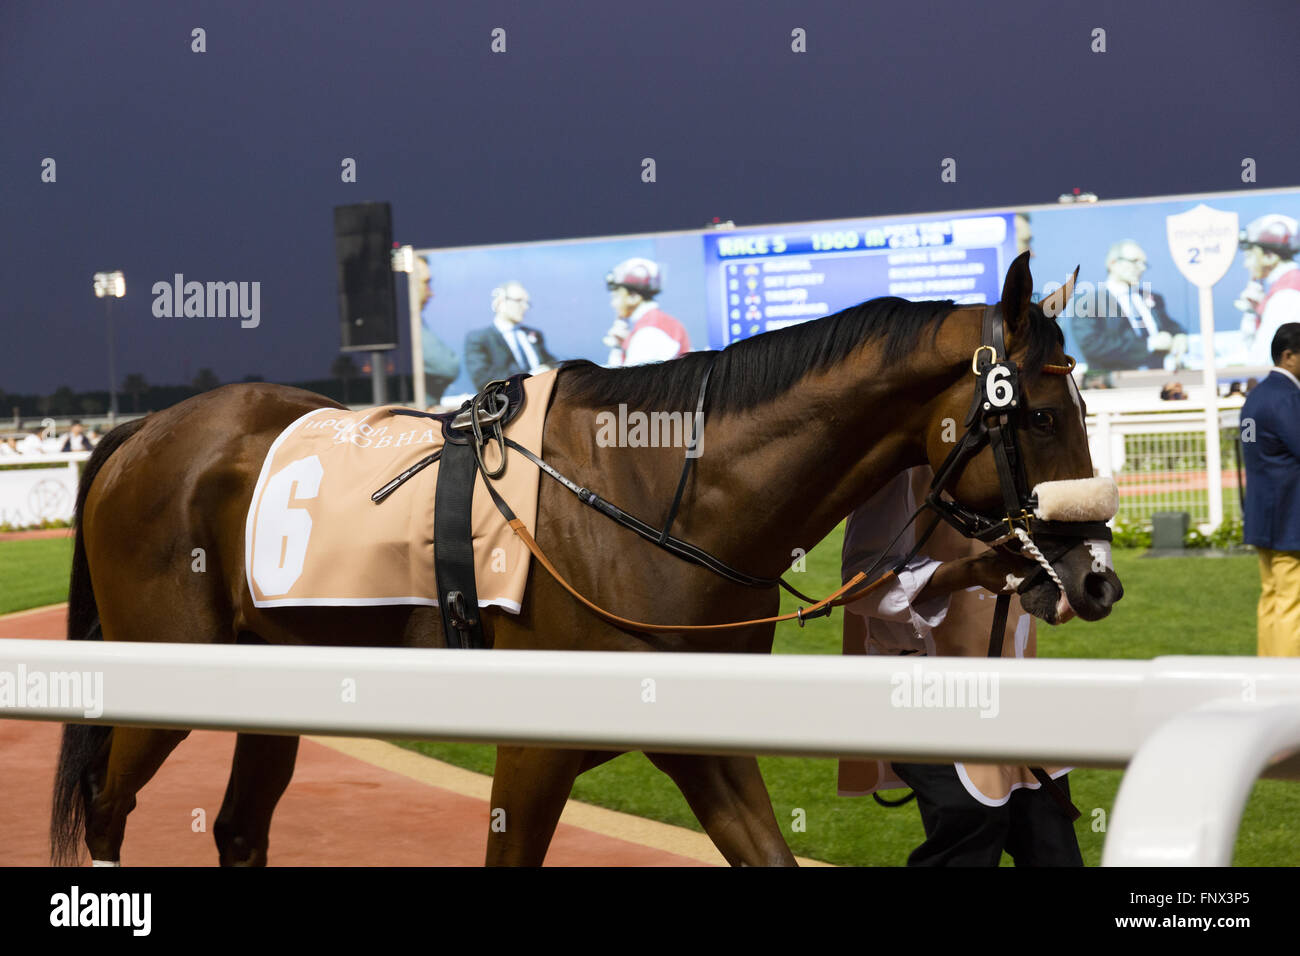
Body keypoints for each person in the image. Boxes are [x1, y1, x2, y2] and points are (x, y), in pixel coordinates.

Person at [838, 467, 1083, 866]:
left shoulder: (1010, 455)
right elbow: (860, 586)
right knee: (970, 830)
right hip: (924, 694)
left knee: (1052, 845)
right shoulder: (898, 471)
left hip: (1015, 689)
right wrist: (969, 572)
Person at [1240, 323, 1300, 656]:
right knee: (1292, 601)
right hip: (1290, 513)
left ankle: (1267, 669)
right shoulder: (1289, 398)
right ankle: (1291, 679)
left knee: (1272, 596)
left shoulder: (1255, 398)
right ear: (1289, 356)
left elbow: (1254, 449)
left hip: (1262, 512)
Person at [1073, 240, 1186, 381]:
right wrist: (1149, 345)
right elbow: (1092, 345)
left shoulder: (1152, 298)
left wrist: (1179, 336)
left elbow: (1170, 326)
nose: (1142, 268)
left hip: (1159, 379)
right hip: (1115, 385)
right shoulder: (1088, 302)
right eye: (1135, 261)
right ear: (1113, 263)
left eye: (1144, 263)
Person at [462, 281, 559, 391]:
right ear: (501, 302)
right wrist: (531, 377)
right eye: (519, 301)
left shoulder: (534, 334)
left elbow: (552, 362)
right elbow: (482, 379)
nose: (525, 307)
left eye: (527, 303)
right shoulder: (480, 338)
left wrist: (548, 369)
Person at [1236, 215, 1300, 368]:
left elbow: (1261, 361)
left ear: (1270, 256)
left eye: (1250, 255)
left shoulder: (1285, 297)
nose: (1246, 264)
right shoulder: (1285, 289)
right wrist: (1252, 313)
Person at [603, 258, 690, 366]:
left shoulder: (648, 332)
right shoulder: (657, 323)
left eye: (616, 296)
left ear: (633, 296)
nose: (613, 304)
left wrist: (617, 350)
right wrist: (620, 346)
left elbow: (627, 382)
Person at [414, 255, 460, 403]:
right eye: (425, 283)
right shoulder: (411, 325)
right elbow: (448, 366)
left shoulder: (419, 322)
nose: (431, 292)